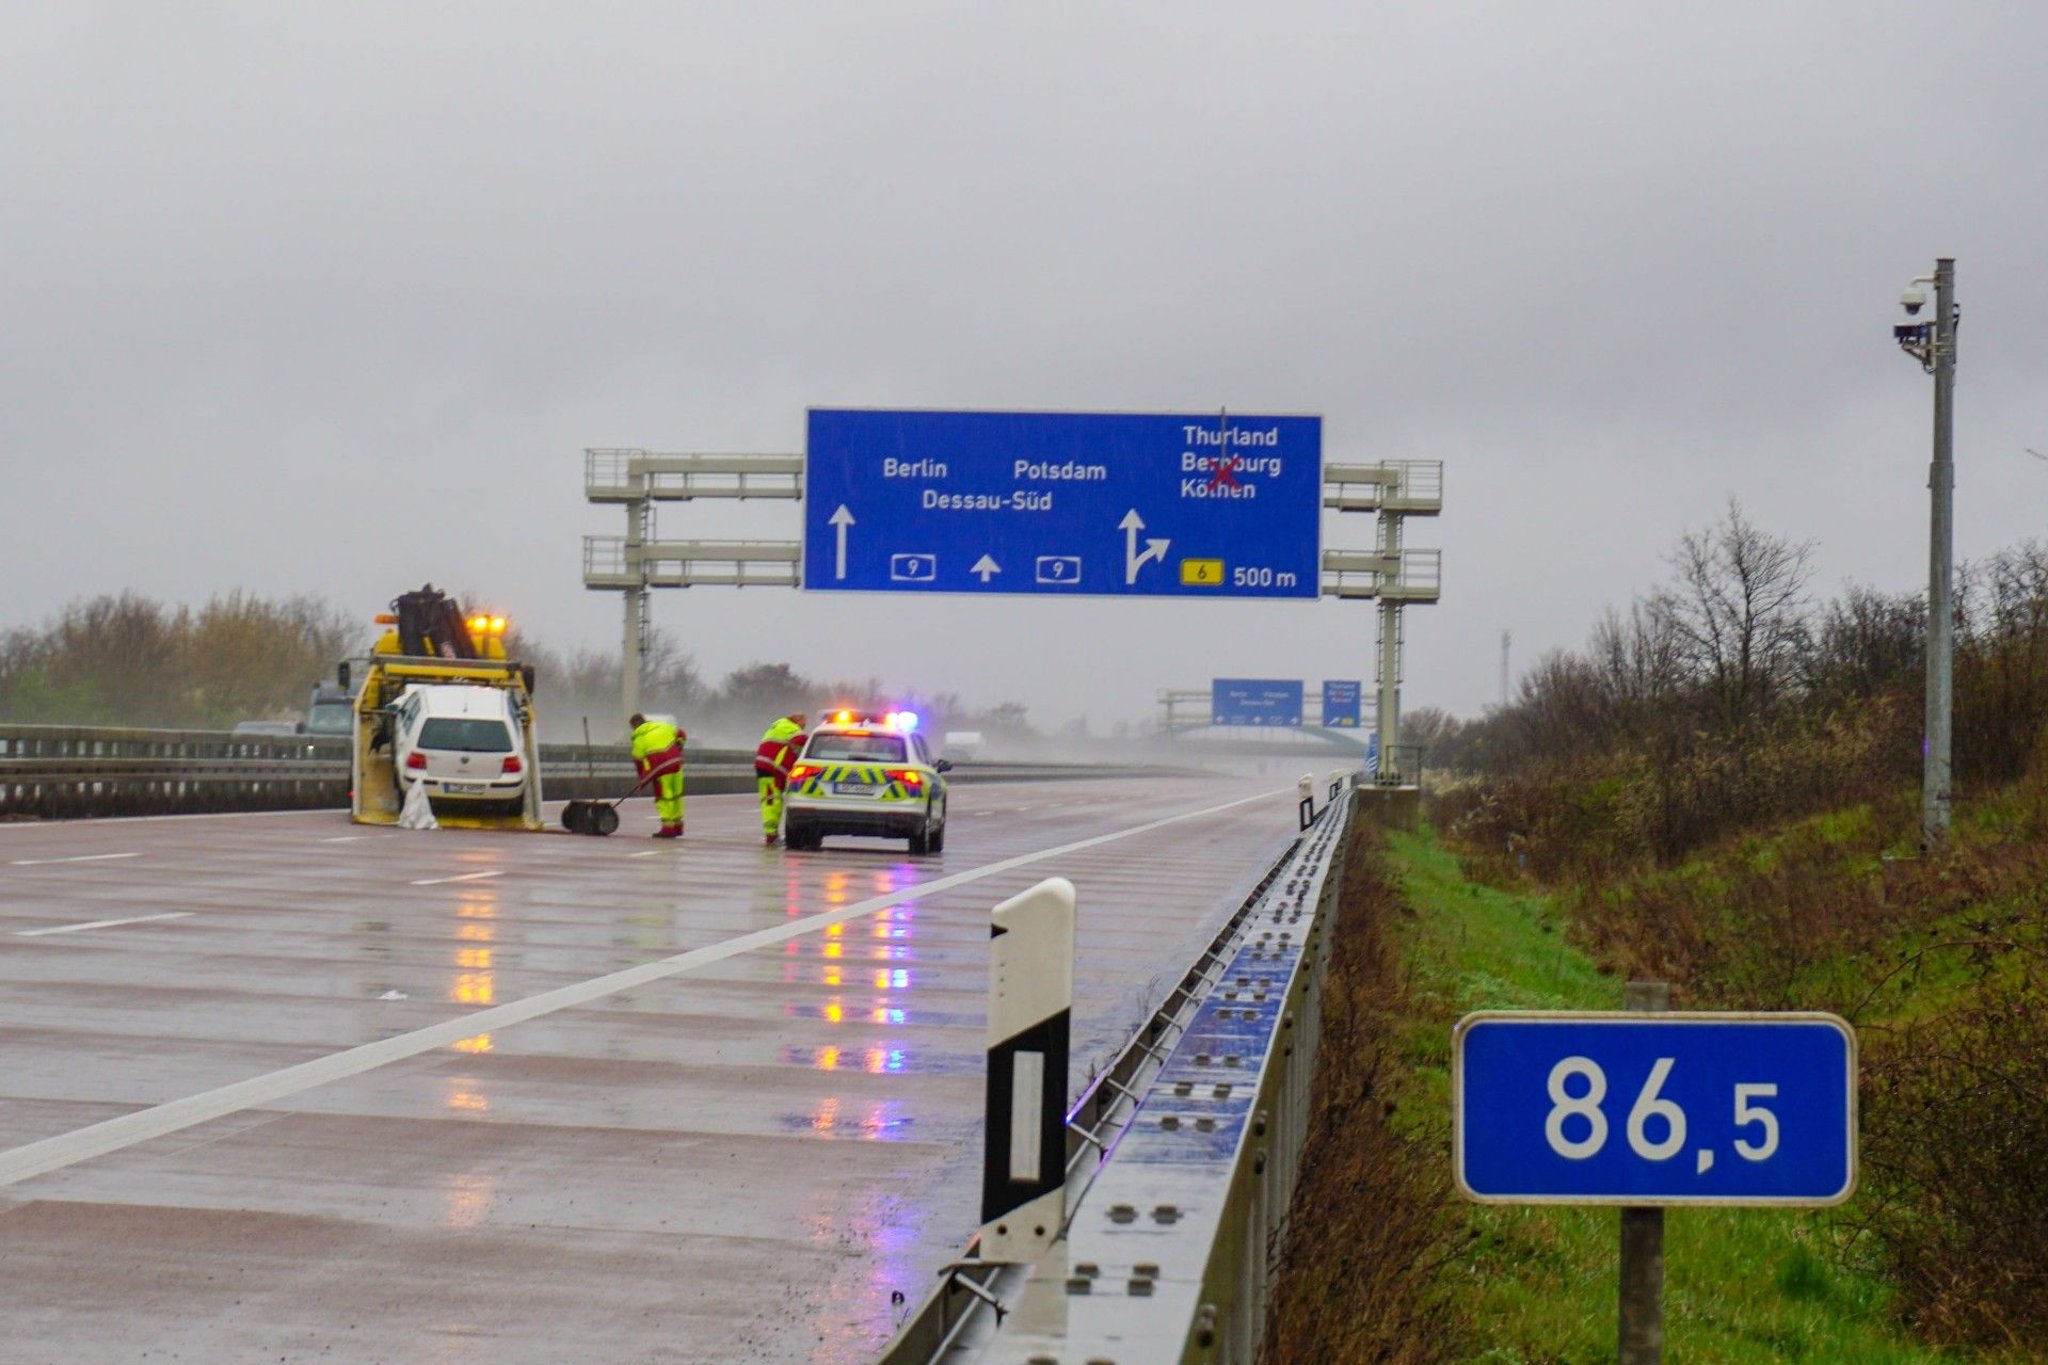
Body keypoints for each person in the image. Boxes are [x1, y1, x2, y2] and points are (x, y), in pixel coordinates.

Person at [629, 713, 686, 839]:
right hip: (677, 765)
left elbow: (639, 762)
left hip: (661, 769)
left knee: (664, 798)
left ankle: (668, 828)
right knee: (676, 796)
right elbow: (681, 734)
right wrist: (679, 748)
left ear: (634, 726)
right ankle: (678, 826)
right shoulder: (663, 726)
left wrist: (642, 781)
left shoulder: (639, 738)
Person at [754, 712, 807, 846]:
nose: (803, 727)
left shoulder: (779, 724)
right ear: (798, 721)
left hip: (764, 765)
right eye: (803, 724)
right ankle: (771, 835)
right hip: (771, 767)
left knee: (769, 799)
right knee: (772, 801)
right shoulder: (791, 728)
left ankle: (772, 834)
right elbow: (802, 740)